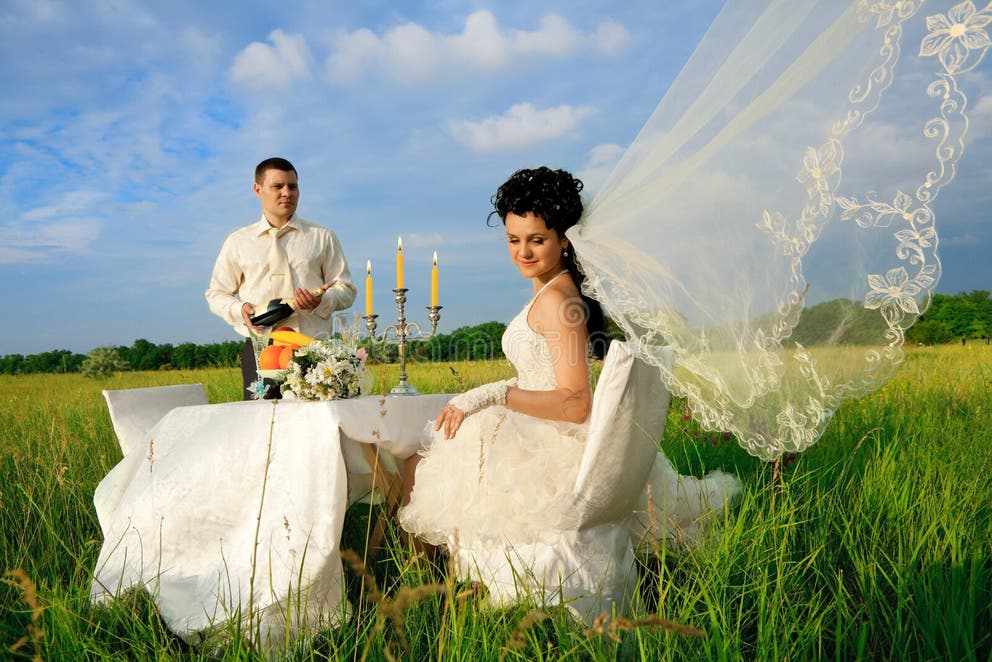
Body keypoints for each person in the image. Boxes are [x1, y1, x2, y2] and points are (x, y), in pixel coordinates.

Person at [398, 167, 739, 578]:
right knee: (424, 461)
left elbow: (575, 402)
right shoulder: (554, 290)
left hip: (551, 436)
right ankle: (437, 588)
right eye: (513, 239)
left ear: (564, 239)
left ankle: (423, 589)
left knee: (419, 466)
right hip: (537, 421)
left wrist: (491, 395)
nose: (523, 252)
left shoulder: (560, 303)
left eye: (537, 240)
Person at [206, 157, 356, 398]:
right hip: (260, 350)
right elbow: (216, 294)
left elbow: (346, 289)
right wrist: (239, 309)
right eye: (278, 186)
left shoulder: (322, 237)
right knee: (261, 424)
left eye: (293, 186)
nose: (287, 193)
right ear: (258, 189)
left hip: (314, 348)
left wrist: (323, 300)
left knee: (314, 424)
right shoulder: (238, 242)